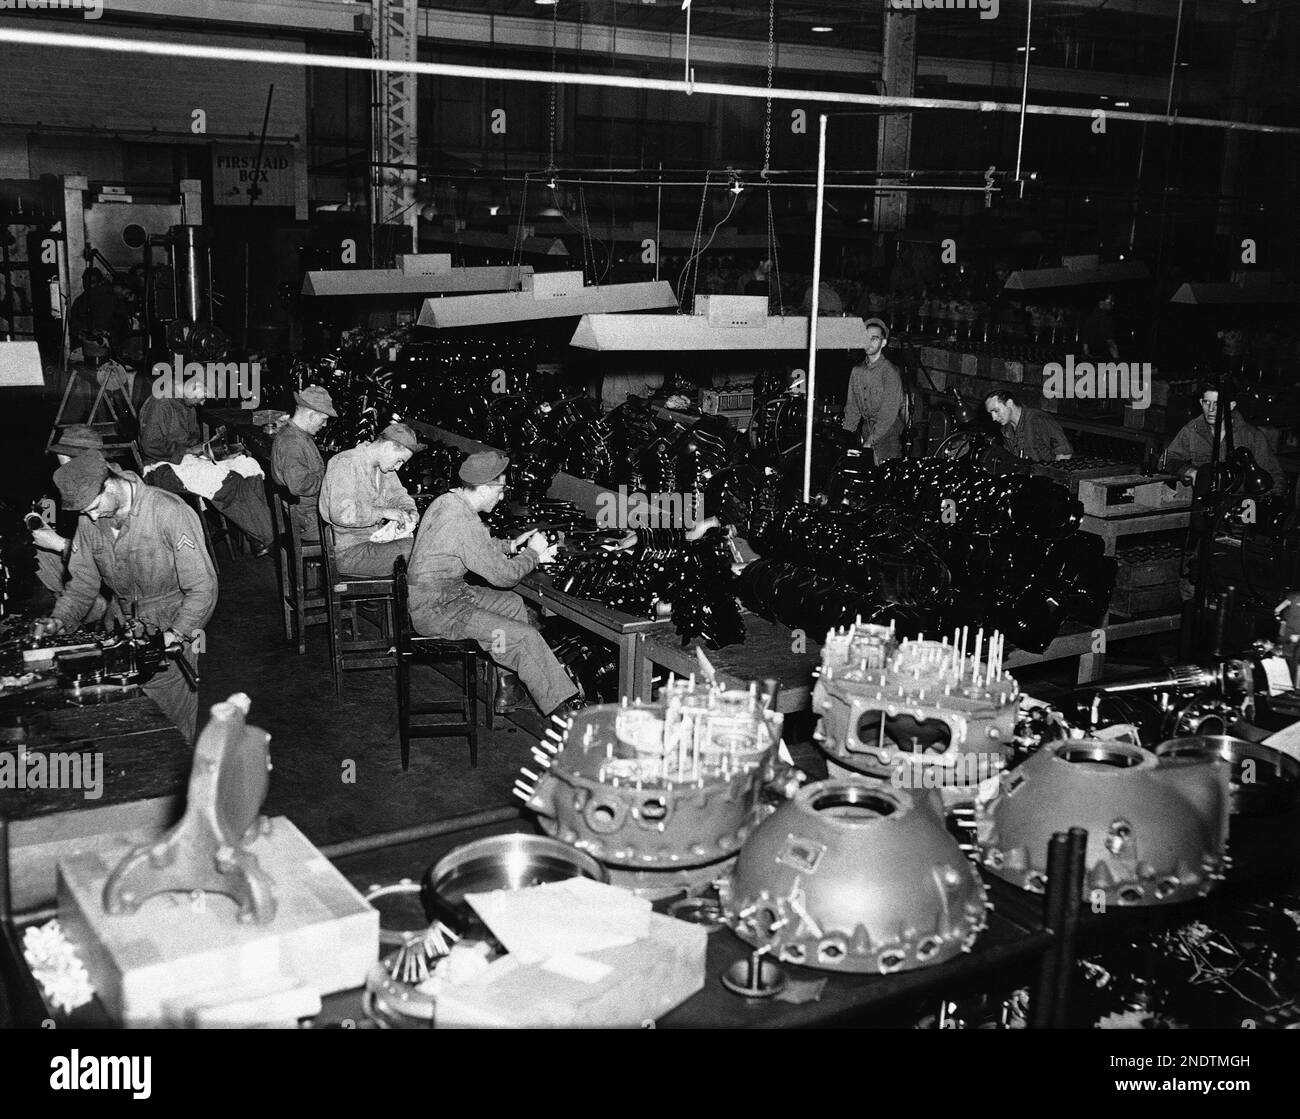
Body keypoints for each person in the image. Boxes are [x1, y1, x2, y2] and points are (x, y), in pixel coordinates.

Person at [33, 451, 217, 742]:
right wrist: (58, 620)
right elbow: (81, 585)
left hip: (172, 623)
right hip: (121, 628)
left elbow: (203, 587)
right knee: (124, 723)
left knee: (170, 731)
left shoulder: (168, 511)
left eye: (93, 506)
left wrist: (176, 635)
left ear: (112, 482)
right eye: (84, 512)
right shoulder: (89, 519)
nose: (91, 517)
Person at [406, 450, 580, 718]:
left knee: (511, 604)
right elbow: (504, 577)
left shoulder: (449, 502)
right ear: (485, 487)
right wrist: (532, 554)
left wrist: (511, 546)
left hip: (445, 596)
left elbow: (472, 546)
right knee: (525, 637)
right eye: (500, 488)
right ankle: (567, 713)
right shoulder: (461, 519)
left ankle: (508, 690)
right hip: (440, 611)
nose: (502, 496)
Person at [138, 376, 274, 552]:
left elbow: (193, 438)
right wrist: (187, 451)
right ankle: (268, 537)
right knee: (229, 482)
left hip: (186, 460)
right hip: (161, 467)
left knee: (248, 467)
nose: (202, 403)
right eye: (202, 397)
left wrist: (209, 448)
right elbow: (150, 445)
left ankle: (256, 535)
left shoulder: (187, 403)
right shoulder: (161, 403)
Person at [319, 422, 422, 576]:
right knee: (420, 553)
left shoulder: (384, 468)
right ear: (387, 447)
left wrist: (410, 512)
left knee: (425, 545)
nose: (398, 467)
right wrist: (383, 513)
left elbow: (399, 496)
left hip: (375, 542)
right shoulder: (346, 463)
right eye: (399, 460)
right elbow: (342, 514)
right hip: (349, 552)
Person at [1162, 381, 1285, 494]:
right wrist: (1188, 471)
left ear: (1231, 405)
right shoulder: (1192, 430)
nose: (1211, 409)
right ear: (1201, 402)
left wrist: (1261, 507)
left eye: (1218, 404)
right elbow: (1166, 459)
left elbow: (1275, 478)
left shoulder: (1251, 436)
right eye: (1207, 402)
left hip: (1241, 506)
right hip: (1205, 504)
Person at [272, 384, 336, 543]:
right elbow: (299, 485)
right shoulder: (291, 443)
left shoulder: (297, 434)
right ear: (311, 415)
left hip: (310, 514)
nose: (325, 425)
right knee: (361, 532)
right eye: (324, 419)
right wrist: (330, 477)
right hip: (309, 522)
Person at [842, 318, 905, 461]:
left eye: (874, 338)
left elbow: (888, 413)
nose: (869, 342)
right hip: (866, 431)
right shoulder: (857, 371)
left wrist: (871, 440)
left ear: (883, 342)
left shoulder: (890, 372)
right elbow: (852, 408)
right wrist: (846, 436)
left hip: (888, 434)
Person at [984, 389, 1073, 464]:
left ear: (1009, 403)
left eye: (996, 411)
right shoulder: (1006, 429)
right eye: (990, 413)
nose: (993, 418)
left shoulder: (1038, 420)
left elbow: (1064, 454)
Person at [1080, 291, 1120, 360]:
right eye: (1110, 300)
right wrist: (1117, 361)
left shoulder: (1090, 314)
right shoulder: (1105, 318)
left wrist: (1086, 353)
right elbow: (1110, 342)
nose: (1113, 303)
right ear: (1101, 302)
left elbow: (1085, 336)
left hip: (1090, 358)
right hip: (1101, 359)